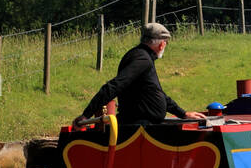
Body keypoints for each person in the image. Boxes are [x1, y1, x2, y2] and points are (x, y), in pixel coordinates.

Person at [73, 23, 206, 126]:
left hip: (143, 123)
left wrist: (182, 113)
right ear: (161, 44)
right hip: (139, 126)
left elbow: (154, 91)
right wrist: (86, 115)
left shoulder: (141, 56)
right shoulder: (142, 59)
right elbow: (115, 85)